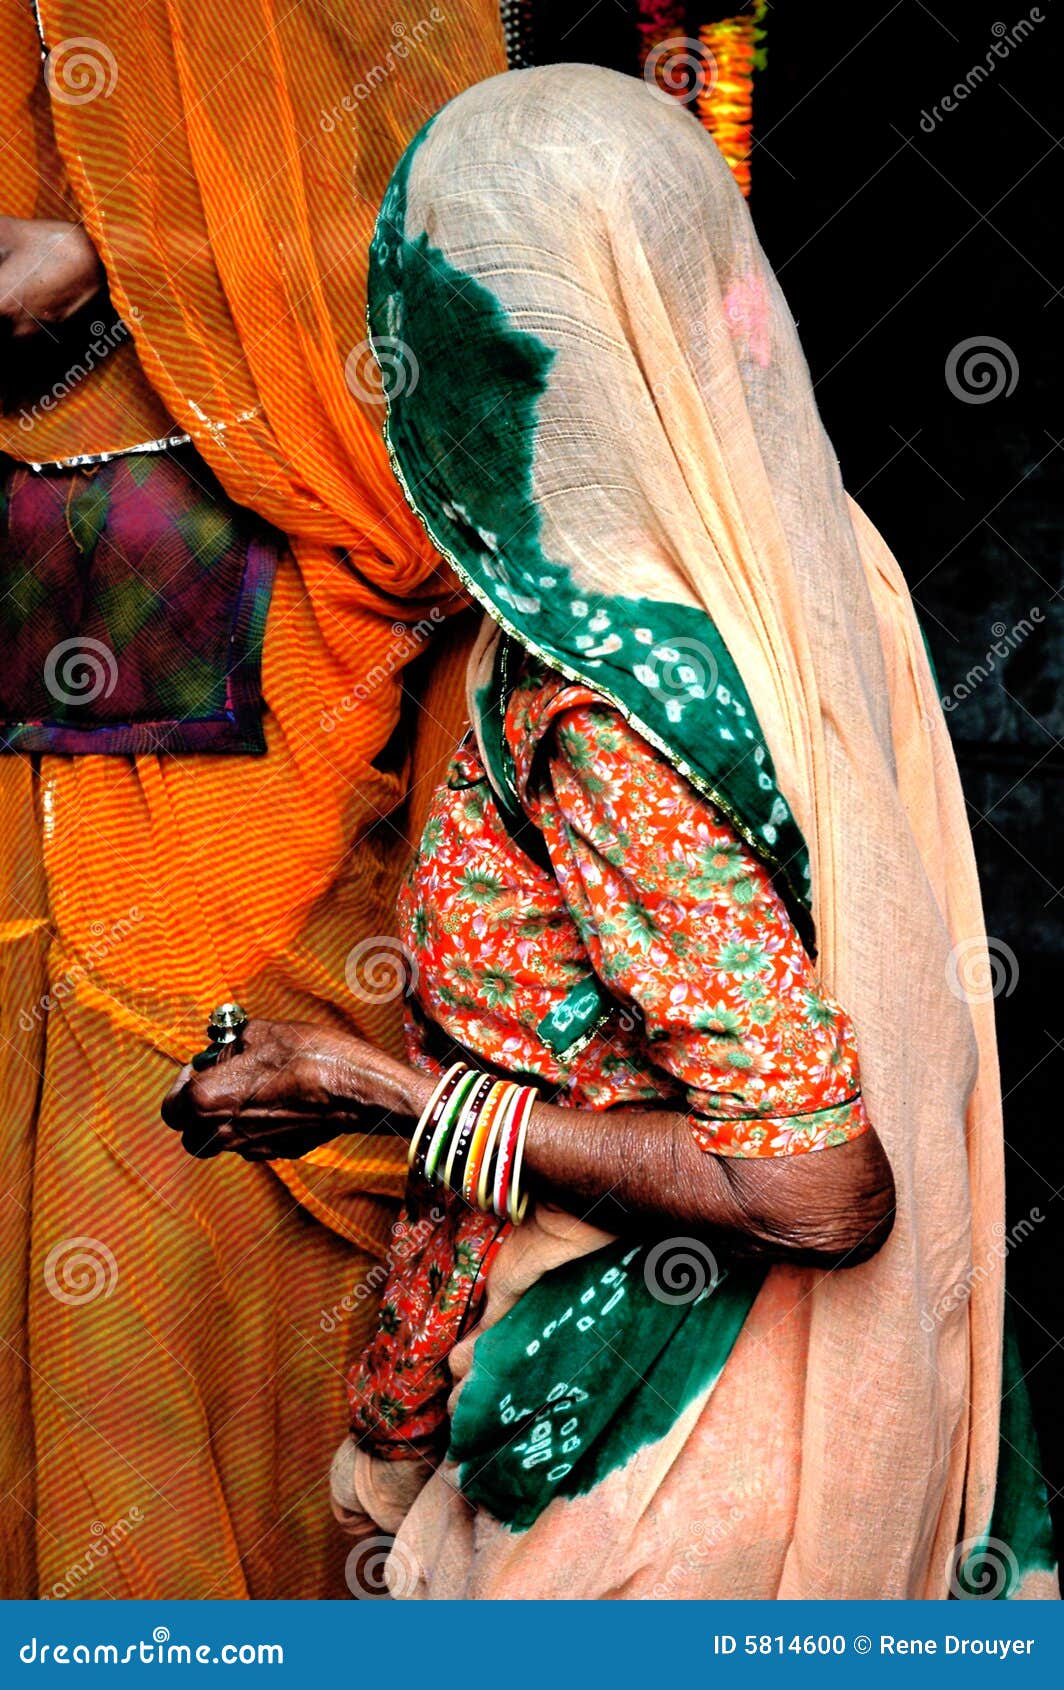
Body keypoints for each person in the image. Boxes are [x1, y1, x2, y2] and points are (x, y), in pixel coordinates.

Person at [162, 64, 1058, 1599]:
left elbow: (821, 1186)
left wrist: (374, 1087)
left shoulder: (600, 715)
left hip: (664, 1455)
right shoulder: (799, 541)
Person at [0, 0, 506, 1599]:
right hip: (65, 604)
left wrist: (113, 252)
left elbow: (447, 254)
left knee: (178, 1171)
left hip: (262, 607)